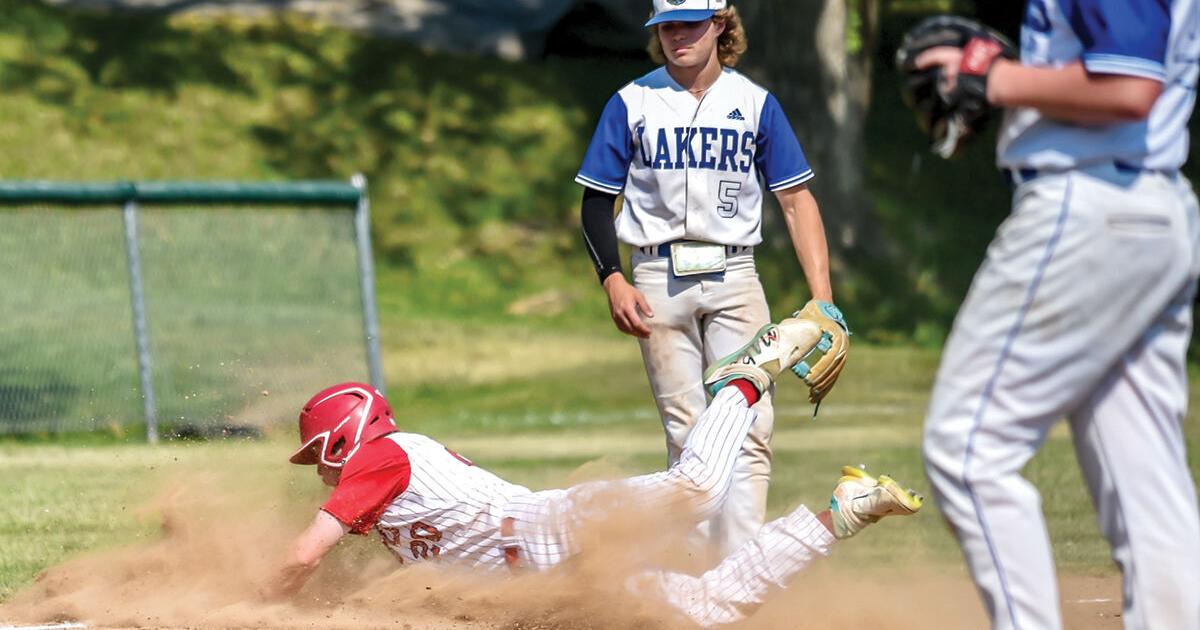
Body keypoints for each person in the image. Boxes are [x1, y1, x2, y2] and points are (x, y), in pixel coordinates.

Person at [264, 312, 920, 628]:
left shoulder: (381, 456)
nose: (318, 470)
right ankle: (839, 514)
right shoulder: (383, 489)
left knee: (698, 489)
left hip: (551, 529)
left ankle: (743, 379)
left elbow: (304, 553)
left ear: (344, 436)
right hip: (553, 581)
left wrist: (261, 603)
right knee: (706, 610)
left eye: (318, 452)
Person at [914, 2, 1200, 628]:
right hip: (1145, 207)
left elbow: (1129, 86)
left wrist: (993, 78)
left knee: (967, 449)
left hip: (1090, 209)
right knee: (1145, 480)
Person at [575, 0, 845, 558]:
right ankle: (699, 575)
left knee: (750, 424)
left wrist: (822, 298)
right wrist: (612, 278)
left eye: (691, 23)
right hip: (655, 275)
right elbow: (597, 202)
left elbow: (796, 201)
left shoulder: (755, 104)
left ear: (720, 24)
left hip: (736, 274)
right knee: (688, 434)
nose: (678, 35)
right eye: (667, 25)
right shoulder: (632, 102)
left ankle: (740, 570)